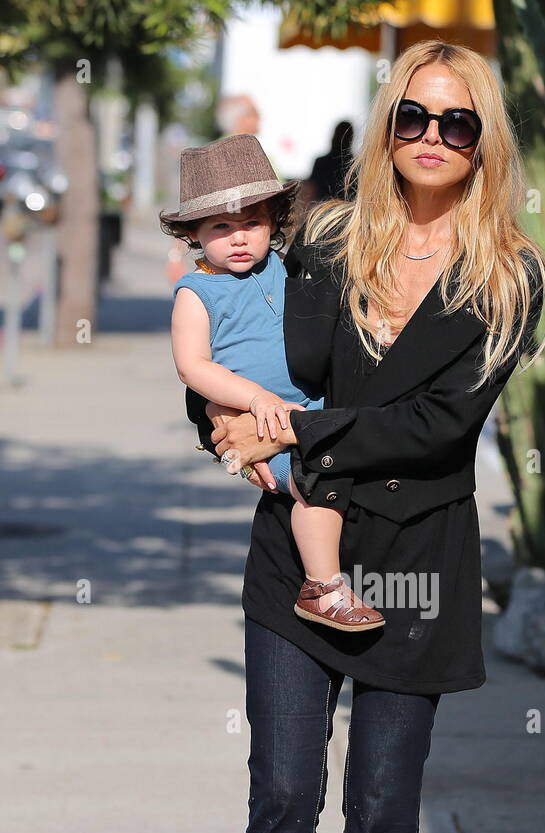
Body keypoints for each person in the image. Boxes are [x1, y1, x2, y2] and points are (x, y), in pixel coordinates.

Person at [186, 41, 545, 833]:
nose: (432, 138)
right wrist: (224, 425)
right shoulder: (328, 238)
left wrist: (292, 429)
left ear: (483, 141)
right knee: (281, 811)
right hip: (295, 562)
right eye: (413, 117)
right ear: (386, 124)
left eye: (457, 123)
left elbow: (437, 427)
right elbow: (244, 337)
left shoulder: (509, 277)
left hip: (416, 576)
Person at [162, 135, 383, 630]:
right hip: (261, 416)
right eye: (222, 227)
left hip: (313, 403)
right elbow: (193, 366)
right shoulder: (197, 292)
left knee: (345, 465)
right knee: (314, 483)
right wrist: (253, 398)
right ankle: (323, 588)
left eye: (252, 224)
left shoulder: (286, 267)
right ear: (194, 233)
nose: (240, 238)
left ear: (273, 224)